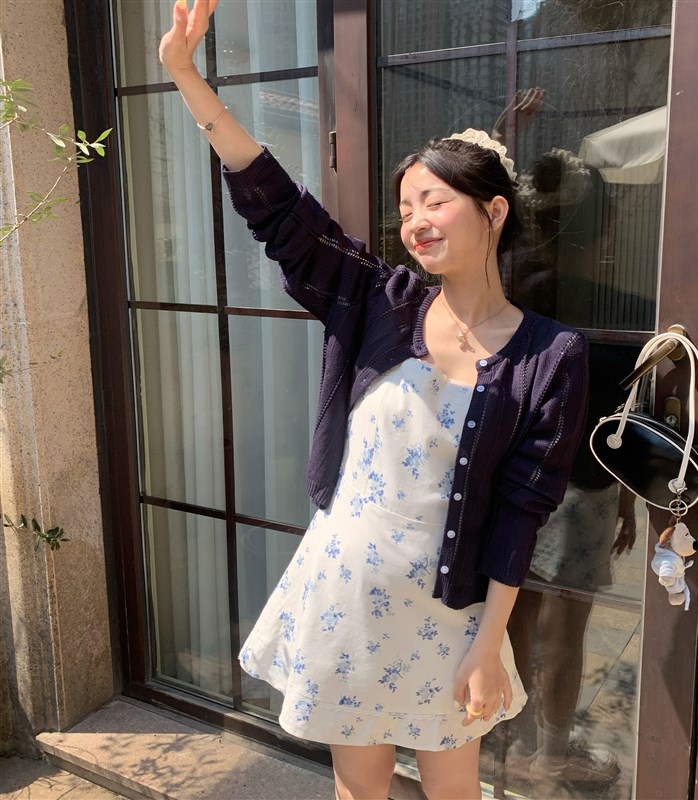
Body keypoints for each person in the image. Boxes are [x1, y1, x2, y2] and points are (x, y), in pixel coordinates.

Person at [159, 2, 589, 798]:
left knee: (452, 789)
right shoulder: (376, 300)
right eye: (406, 207)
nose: (415, 222)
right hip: (345, 595)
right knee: (359, 789)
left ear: (494, 211)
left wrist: (488, 643)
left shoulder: (548, 355)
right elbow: (280, 211)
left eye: (435, 201)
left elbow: (522, 509)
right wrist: (188, 77)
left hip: (451, 612)